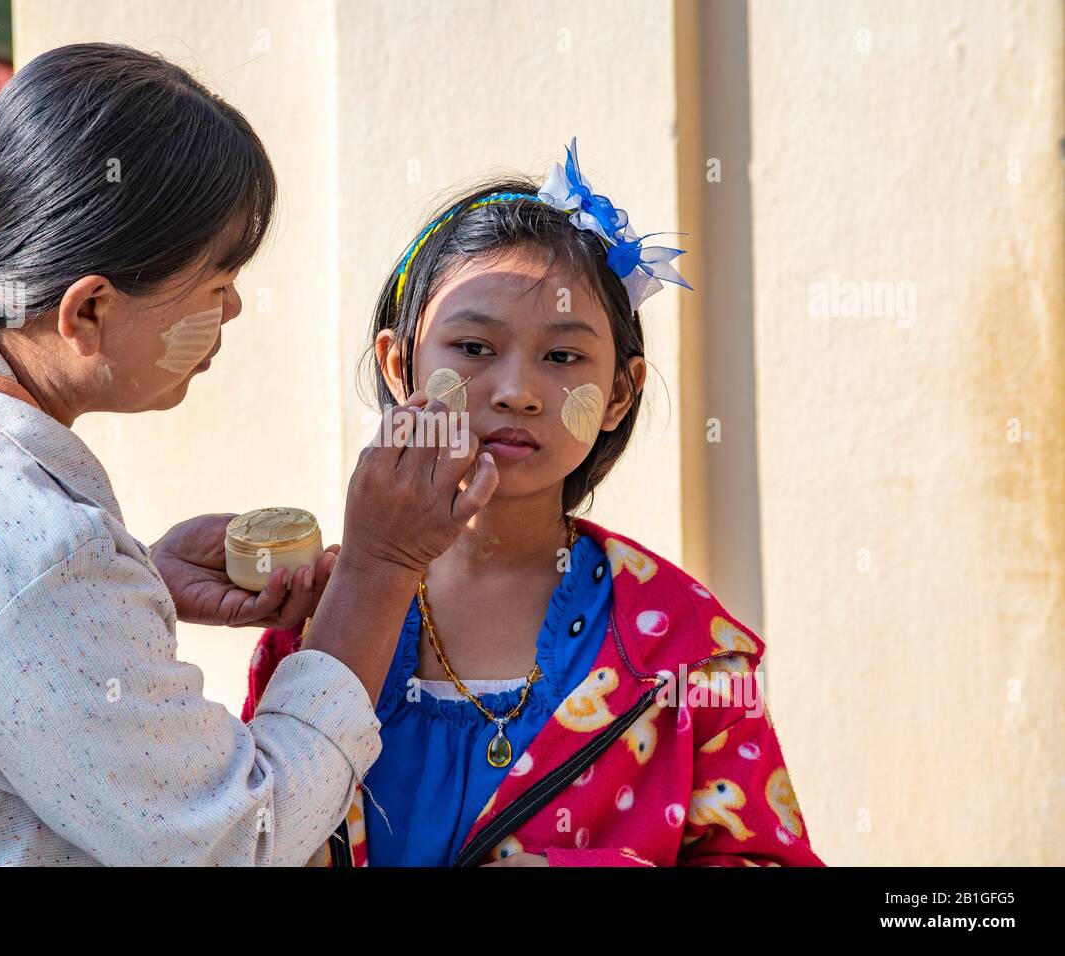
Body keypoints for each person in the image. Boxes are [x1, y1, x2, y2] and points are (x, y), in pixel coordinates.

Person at [0, 42, 498, 865]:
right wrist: (381, 567)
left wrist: (129, 578)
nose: (238, 308)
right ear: (88, 312)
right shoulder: (34, 552)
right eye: (216, 286)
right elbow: (243, 836)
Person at [245, 140, 824, 867]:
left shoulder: (686, 653)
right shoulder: (316, 631)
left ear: (618, 393)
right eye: (474, 347)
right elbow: (249, 839)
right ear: (400, 367)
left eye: (562, 357)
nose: (516, 390)